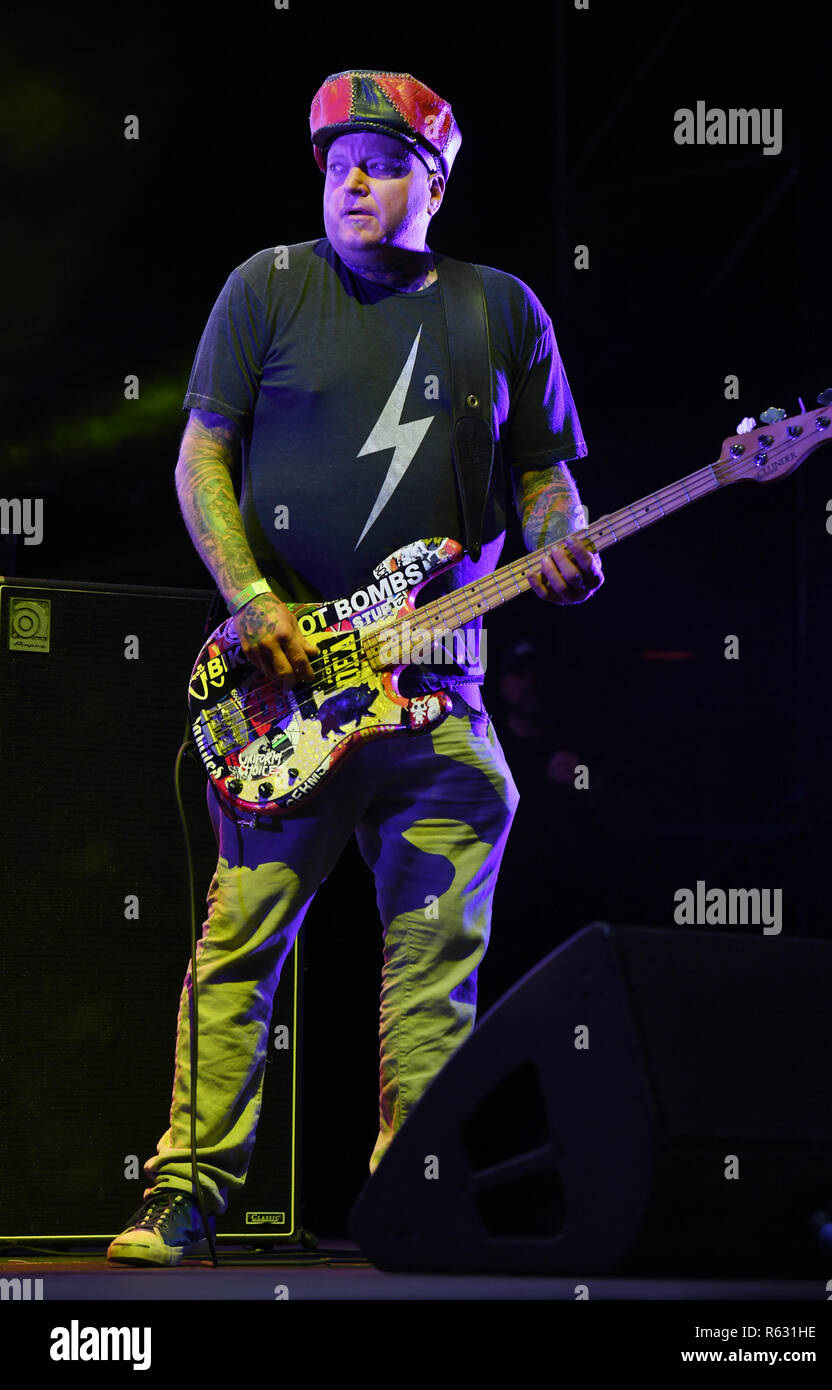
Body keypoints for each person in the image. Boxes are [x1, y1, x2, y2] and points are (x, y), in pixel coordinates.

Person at [107, 69, 603, 1266]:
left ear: (432, 182)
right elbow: (198, 460)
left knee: (435, 962)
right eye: (336, 167)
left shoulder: (502, 308)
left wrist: (561, 543)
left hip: (440, 689)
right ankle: (184, 1193)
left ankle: (413, 1196)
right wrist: (251, 600)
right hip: (290, 690)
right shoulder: (265, 286)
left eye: (379, 166)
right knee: (242, 937)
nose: (352, 185)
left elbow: (542, 474)